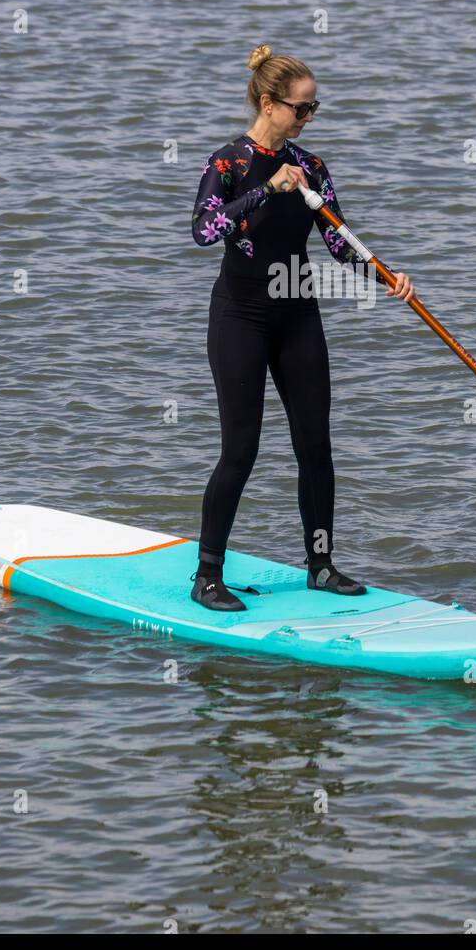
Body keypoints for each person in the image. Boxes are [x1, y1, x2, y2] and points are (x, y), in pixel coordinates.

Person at [189, 44, 414, 611]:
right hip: (239, 318)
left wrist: (385, 275)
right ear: (269, 104)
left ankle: (321, 565)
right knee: (240, 449)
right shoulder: (227, 164)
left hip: (298, 317)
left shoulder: (313, 168)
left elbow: (339, 242)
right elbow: (205, 229)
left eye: (314, 109)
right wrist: (268, 188)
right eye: (302, 108)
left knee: (316, 445)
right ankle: (207, 576)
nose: (309, 118)